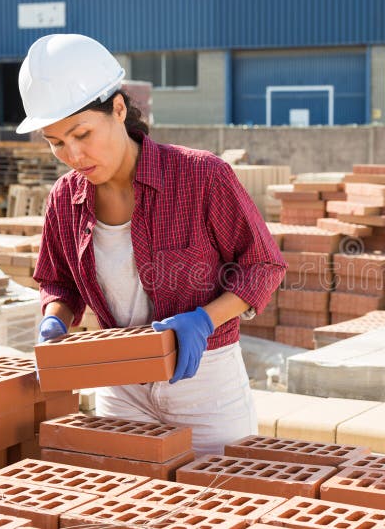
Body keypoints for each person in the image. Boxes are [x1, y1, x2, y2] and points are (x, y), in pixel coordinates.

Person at [19, 34, 286, 455]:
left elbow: (263, 265)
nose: (72, 154)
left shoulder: (201, 177)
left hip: (204, 384)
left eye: (82, 133)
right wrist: (56, 317)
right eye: (55, 143)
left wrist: (204, 320)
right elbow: (59, 282)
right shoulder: (64, 199)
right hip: (120, 384)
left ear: (119, 109)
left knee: (214, 507)